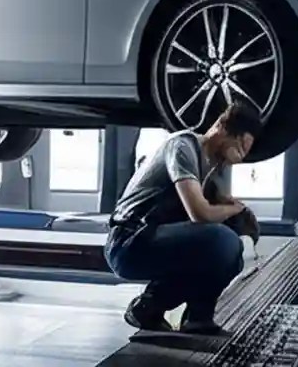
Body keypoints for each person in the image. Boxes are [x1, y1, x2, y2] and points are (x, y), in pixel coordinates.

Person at [104, 98, 263, 335]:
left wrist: (237, 215)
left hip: (154, 237)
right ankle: (151, 302)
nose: (239, 157)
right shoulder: (183, 146)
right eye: (239, 146)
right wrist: (234, 209)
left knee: (233, 257)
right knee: (224, 241)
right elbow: (200, 214)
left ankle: (190, 316)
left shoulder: (210, 169)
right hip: (128, 241)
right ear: (222, 127)